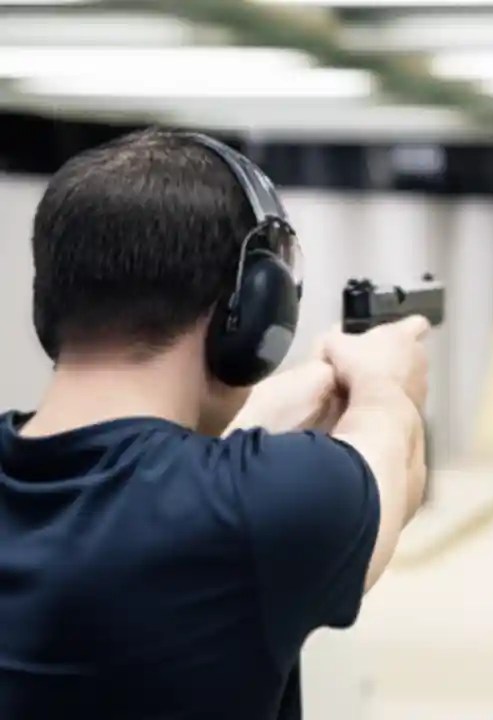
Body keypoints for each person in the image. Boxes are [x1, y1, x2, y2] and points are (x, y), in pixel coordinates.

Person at [0, 129, 429, 719]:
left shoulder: (219, 502)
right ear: (252, 312)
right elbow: (393, 460)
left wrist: (276, 401)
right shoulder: (250, 511)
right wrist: (380, 378)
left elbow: (128, 478)